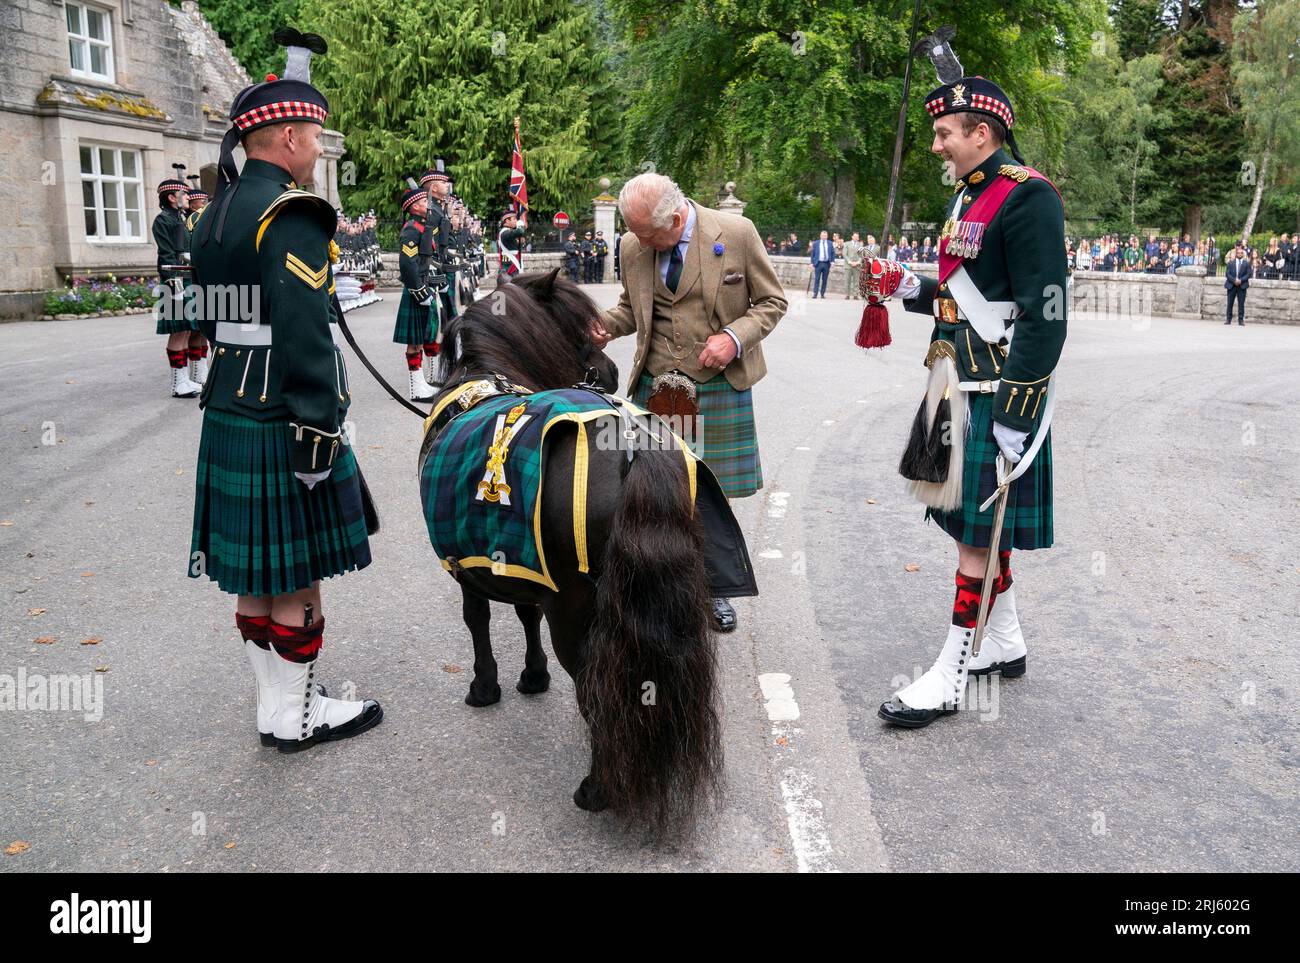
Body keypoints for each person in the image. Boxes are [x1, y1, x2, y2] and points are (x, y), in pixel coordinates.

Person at [188, 27, 382, 751]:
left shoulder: (217, 212)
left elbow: (213, 315)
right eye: (316, 133)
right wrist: (319, 425)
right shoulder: (292, 214)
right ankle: (299, 717)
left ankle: (274, 707)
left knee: (256, 574)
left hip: (230, 403)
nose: (318, 146)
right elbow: (302, 335)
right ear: (292, 136)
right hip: (283, 413)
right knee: (295, 573)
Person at [873, 74, 1066, 729]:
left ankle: (951, 677)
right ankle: (1005, 640)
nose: (935, 145)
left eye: (944, 133)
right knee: (974, 526)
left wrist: (1019, 413)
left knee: (974, 540)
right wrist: (906, 287)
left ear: (982, 134)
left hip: (995, 392)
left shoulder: (1028, 197)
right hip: (953, 380)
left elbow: (1046, 315)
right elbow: (963, 296)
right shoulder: (968, 198)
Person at [590, 171, 787, 633]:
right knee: (652, 492)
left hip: (716, 385)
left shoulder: (736, 233)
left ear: (676, 218)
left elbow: (772, 301)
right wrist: (602, 325)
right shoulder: (632, 244)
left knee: (707, 495)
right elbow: (630, 308)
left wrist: (734, 338)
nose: (639, 242)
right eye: (633, 233)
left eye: (648, 234)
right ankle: (657, 586)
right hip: (655, 386)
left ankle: (713, 588)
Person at [153, 172, 202, 398]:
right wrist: (175, 284)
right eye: (182, 193)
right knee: (178, 331)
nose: (186, 197)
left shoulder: (180, 218)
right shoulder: (163, 220)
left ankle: (186, 380)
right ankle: (177, 384)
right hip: (175, 278)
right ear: (172, 197)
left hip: (187, 277)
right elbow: (167, 253)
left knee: (185, 329)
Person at [393, 185, 439, 400]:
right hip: (416, 288)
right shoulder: (411, 228)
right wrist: (419, 291)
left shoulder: (422, 226)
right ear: (412, 207)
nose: (426, 205)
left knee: (421, 338)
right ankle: (416, 389)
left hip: (423, 283)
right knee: (415, 341)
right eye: (421, 202)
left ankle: (422, 384)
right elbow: (407, 263)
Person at [496, 207, 526, 286]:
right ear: (507, 221)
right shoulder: (504, 233)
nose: (516, 221)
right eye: (514, 219)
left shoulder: (508, 232)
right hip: (509, 267)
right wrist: (520, 225)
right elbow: (520, 231)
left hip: (512, 266)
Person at [1224, 243, 1249, 326]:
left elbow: (1249, 274)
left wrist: (1240, 280)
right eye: (1238, 253)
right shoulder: (1230, 263)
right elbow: (1227, 274)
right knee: (1230, 303)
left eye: (1241, 253)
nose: (1239, 254)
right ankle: (1228, 319)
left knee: (1241, 304)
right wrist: (1234, 280)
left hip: (1242, 286)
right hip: (1231, 285)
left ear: (1243, 254)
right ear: (1236, 254)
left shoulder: (1246, 263)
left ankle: (1241, 320)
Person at [810, 229, 835, 298]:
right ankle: (815, 293)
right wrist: (812, 263)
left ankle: (822, 294)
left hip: (826, 264)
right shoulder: (816, 243)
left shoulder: (830, 243)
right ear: (820, 236)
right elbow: (813, 254)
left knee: (825, 280)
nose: (824, 237)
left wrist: (832, 262)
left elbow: (833, 253)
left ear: (827, 236)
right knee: (817, 279)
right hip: (818, 263)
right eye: (823, 235)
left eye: (825, 235)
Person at [842, 231, 864, 299]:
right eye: (855, 236)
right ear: (852, 237)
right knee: (847, 280)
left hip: (857, 265)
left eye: (857, 237)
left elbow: (862, 255)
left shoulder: (860, 245)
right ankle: (847, 294)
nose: (856, 238)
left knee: (856, 281)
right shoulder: (846, 244)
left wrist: (858, 262)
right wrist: (849, 262)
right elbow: (844, 254)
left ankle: (855, 295)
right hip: (848, 265)